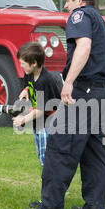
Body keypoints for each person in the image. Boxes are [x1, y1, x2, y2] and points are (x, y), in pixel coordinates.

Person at [23, 0, 105, 209]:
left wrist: (69, 82)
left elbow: (84, 47)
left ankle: (50, 208)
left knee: (61, 146)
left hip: (83, 93)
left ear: (80, 0)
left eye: (68, 0)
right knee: (95, 150)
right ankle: (95, 208)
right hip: (102, 92)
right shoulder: (103, 24)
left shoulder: (80, 16)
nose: (65, 5)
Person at [13, 42, 61, 173]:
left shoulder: (44, 80)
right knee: (41, 154)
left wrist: (22, 120)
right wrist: (26, 90)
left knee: (48, 156)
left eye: (23, 63)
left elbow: (40, 111)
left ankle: (54, 181)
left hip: (50, 122)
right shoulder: (30, 73)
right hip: (39, 121)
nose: (21, 66)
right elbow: (30, 85)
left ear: (34, 63)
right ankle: (50, 178)